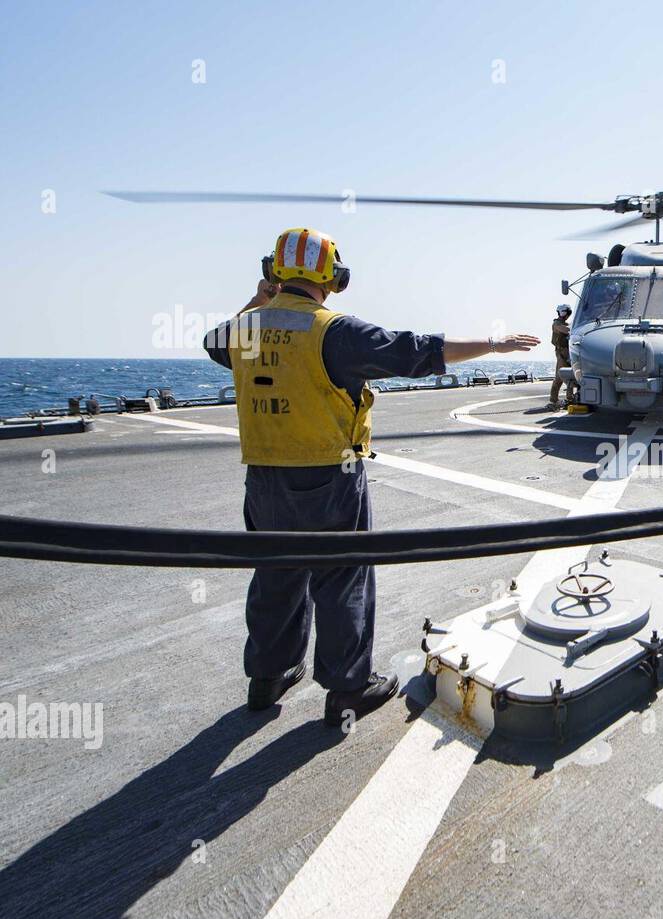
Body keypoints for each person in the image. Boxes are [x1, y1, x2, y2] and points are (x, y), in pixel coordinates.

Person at [204, 227, 539, 726]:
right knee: (343, 579)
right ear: (332, 276)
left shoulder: (245, 328)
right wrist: (493, 343)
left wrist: (260, 298)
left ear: (274, 272)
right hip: (327, 478)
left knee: (276, 574)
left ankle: (267, 678)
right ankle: (346, 690)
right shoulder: (332, 331)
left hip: (264, 480)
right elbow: (418, 351)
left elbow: (213, 345)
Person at [548, 303, 576, 409]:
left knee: (570, 375)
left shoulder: (565, 323)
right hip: (561, 353)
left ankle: (570, 398)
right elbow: (567, 330)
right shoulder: (557, 324)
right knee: (560, 376)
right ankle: (554, 399)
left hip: (568, 352)